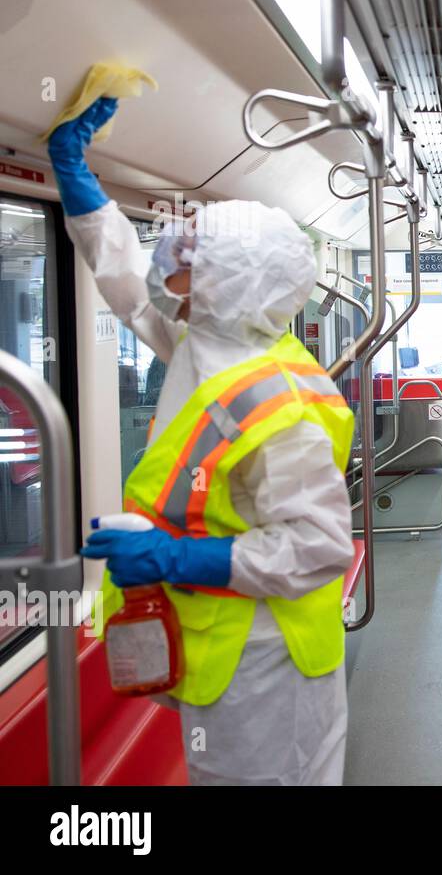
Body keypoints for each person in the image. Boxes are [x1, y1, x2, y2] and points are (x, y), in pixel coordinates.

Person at [47, 97, 356, 785]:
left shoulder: (279, 401)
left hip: (271, 658)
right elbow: (127, 285)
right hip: (222, 647)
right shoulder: (206, 339)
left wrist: (173, 556)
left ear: (230, 281)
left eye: (189, 251)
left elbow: (319, 546)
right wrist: (79, 184)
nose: (169, 258)